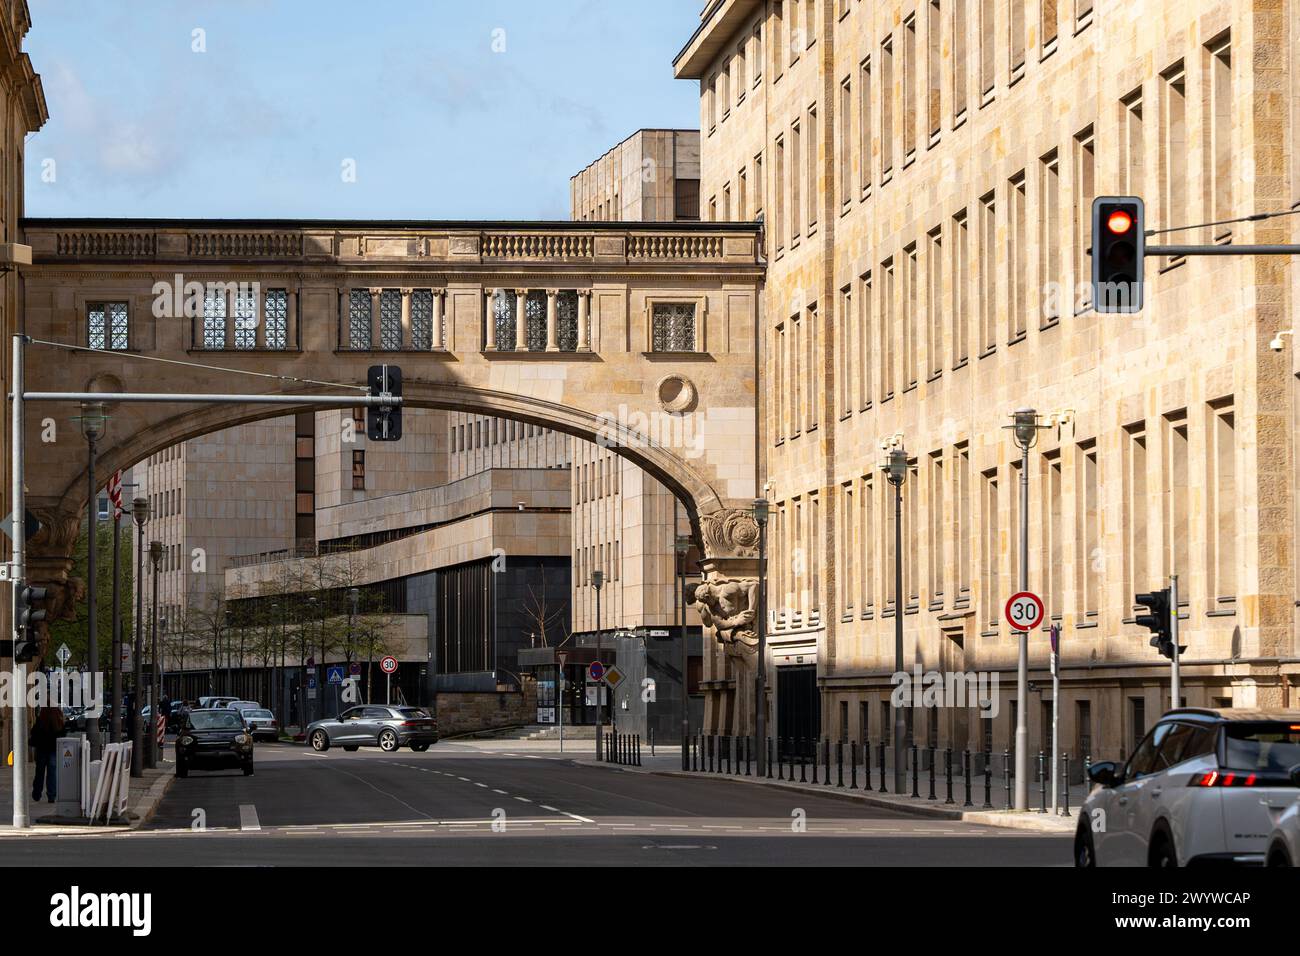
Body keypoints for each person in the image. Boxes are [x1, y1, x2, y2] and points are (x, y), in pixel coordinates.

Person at [29, 706, 65, 803]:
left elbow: (34, 732)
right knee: (52, 773)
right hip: (53, 749)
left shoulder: (41, 719)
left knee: (39, 772)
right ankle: (51, 796)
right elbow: (63, 733)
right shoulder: (58, 719)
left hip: (42, 749)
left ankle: (37, 794)